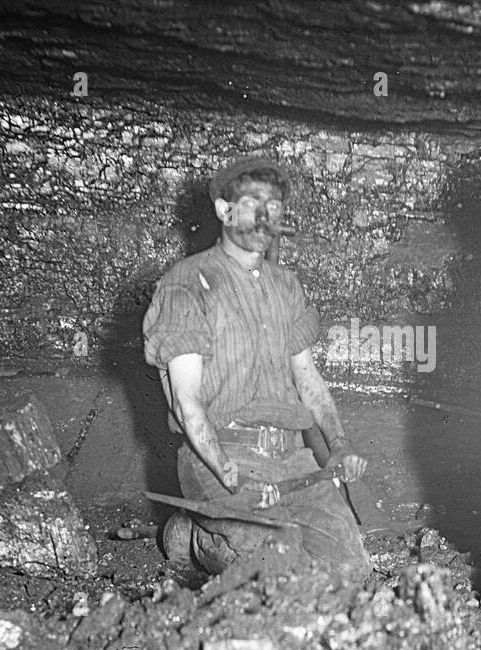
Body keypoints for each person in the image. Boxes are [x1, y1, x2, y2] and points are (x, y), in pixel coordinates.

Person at [142, 156, 371, 576]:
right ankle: (198, 536)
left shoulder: (287, 287)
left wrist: (339, 444)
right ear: (224, 210)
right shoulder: (187, 283)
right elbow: (186, 402)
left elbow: (309, 381)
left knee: (351, 571)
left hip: (292, 461)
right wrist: (226, 472)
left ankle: (210, 530)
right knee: (274, 566)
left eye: (276, 207)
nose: (266, 217)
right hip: (226, 455)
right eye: (251, 203)